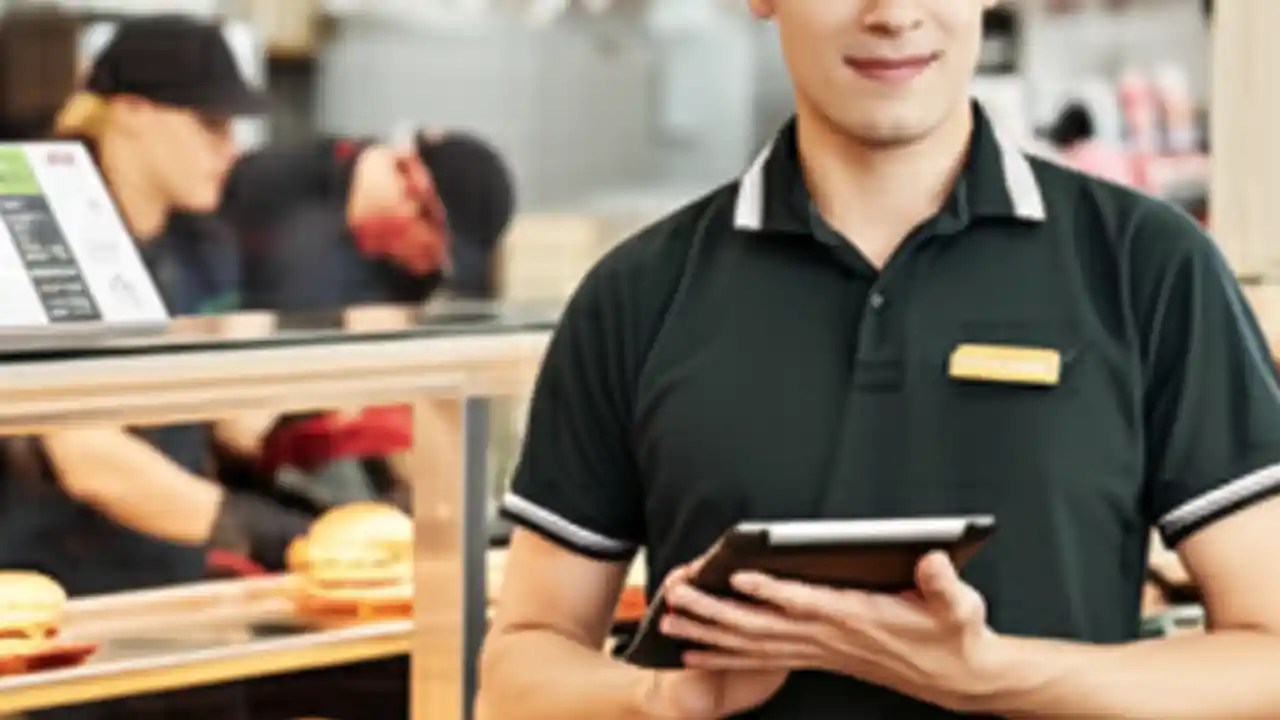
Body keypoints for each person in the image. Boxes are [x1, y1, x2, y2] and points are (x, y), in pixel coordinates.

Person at [480, 2, 1280, 719]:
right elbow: (518, 674)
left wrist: (994, 676)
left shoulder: (1146, 265)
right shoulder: (638, 293)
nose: (894, 14)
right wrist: (663, 699)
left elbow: (1268, 653)